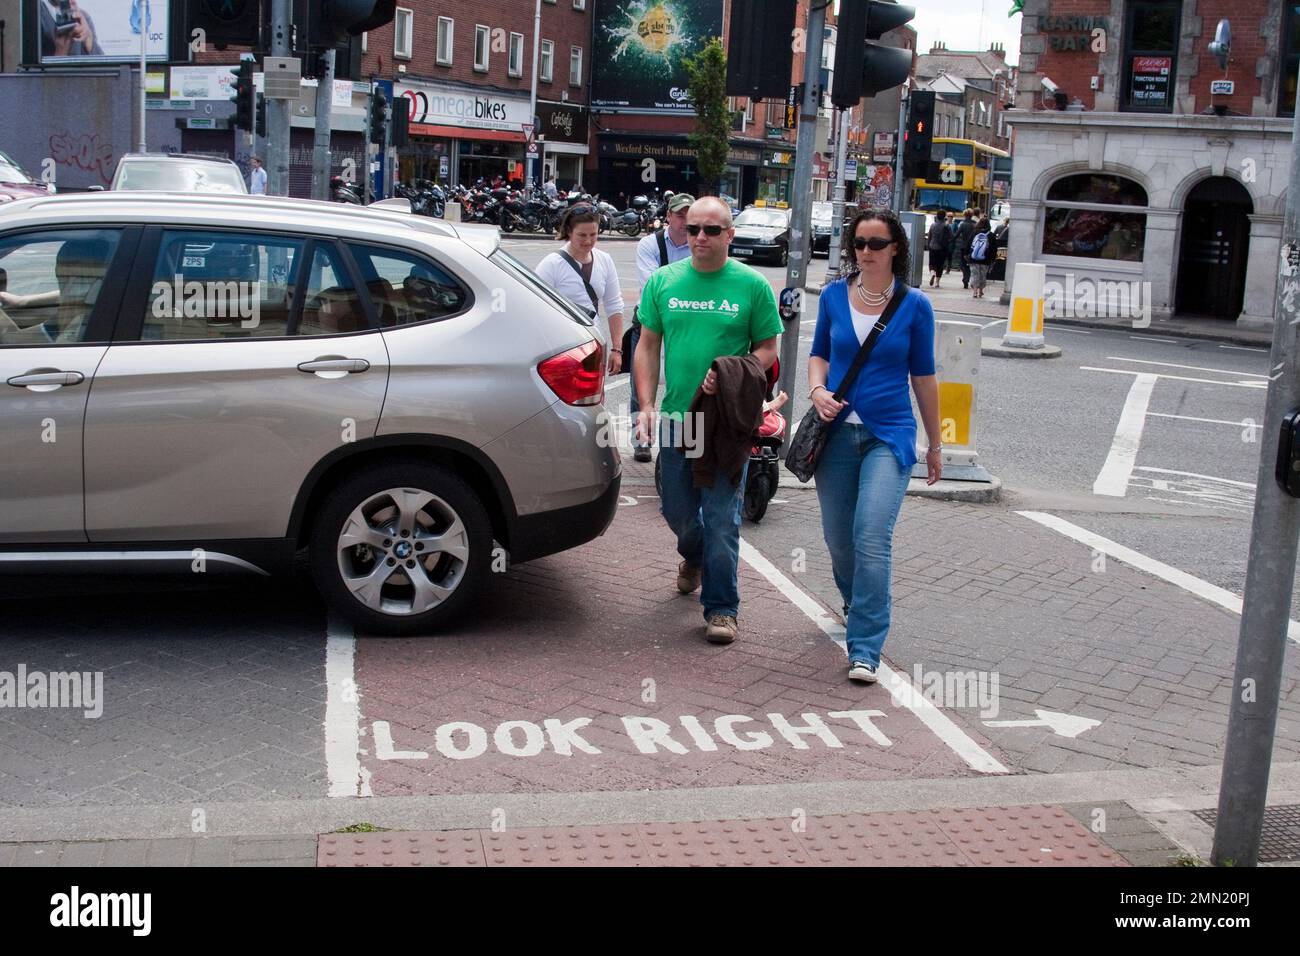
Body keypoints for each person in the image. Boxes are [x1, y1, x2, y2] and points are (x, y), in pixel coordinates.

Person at [633, 197, 782, 645]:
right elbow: (647, 346)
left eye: (712, 230)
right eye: (693, 228)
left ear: (729, 236)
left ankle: (721, 607)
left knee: (721, 516)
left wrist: (733, 374)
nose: (700, 237)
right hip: (679, 419)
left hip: (725, 423)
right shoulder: (663, 281)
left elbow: (768, 348)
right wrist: (645, 404)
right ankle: (693, 557)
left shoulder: (752, 286)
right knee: (677, 511)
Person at [807, 209, 943, 684]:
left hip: (890, 434)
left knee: (870, 536)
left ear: (896, 249)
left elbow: (923, 376)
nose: (866, 251)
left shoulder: (915, 306)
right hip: (837, 433)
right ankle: (853, 601)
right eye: (859, 242)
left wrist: (935, 444)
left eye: (877, 243)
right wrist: (817, 391)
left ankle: (864, 647)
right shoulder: (831, 297)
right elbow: (819, 354)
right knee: (838, 541)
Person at [628, 192, 693, 462]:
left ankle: (683, 439)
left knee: (684, 381)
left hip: (685, 324)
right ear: (668, 217)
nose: (685, 221)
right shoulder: (649, 244)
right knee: (641, 384)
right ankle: (641, 439)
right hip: (650, 321)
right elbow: (651, 287)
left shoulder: (699, 244)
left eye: (690, 216)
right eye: (680, 215)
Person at [534, 205, 625, 375]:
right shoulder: (551, 264)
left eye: (593, 235)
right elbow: (535, 311)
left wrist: (617, 350)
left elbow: (614, 305)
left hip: (593, 347)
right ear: (569, 231)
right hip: (560, 352)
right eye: (582, 235)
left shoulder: (604, 260)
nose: (588, 241)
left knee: (593, 400)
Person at [968, 217, 993, 298]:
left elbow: (968, 244)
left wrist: (966, 254)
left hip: (973, 258)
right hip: (985, 259)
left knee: (974, 274)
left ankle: (975, 291)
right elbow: (994, 248)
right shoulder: (990, 235)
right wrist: (992, 258)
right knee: (983, 275)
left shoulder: (974, 232)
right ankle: (980, 291)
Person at [925, 211, 951, 287]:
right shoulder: (947, 226)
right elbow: (951, 236)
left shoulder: (932, 225)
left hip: (933, 247)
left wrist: (929, 245)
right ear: (944, 217)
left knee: (932, 263)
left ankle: (932, 273)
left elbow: (929, 236)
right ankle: (937, 283)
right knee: (940, 265)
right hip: (942, 248)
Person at [955, 209, 977, 288]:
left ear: (964, 215)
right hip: (972, 247)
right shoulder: (975, 224)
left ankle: (965, 278)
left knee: (963, 264)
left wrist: (950, 240)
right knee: (971, 263)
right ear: (972, 215)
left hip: (963, 247)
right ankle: (969, 278)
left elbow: (957, 235)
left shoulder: (962, 224)